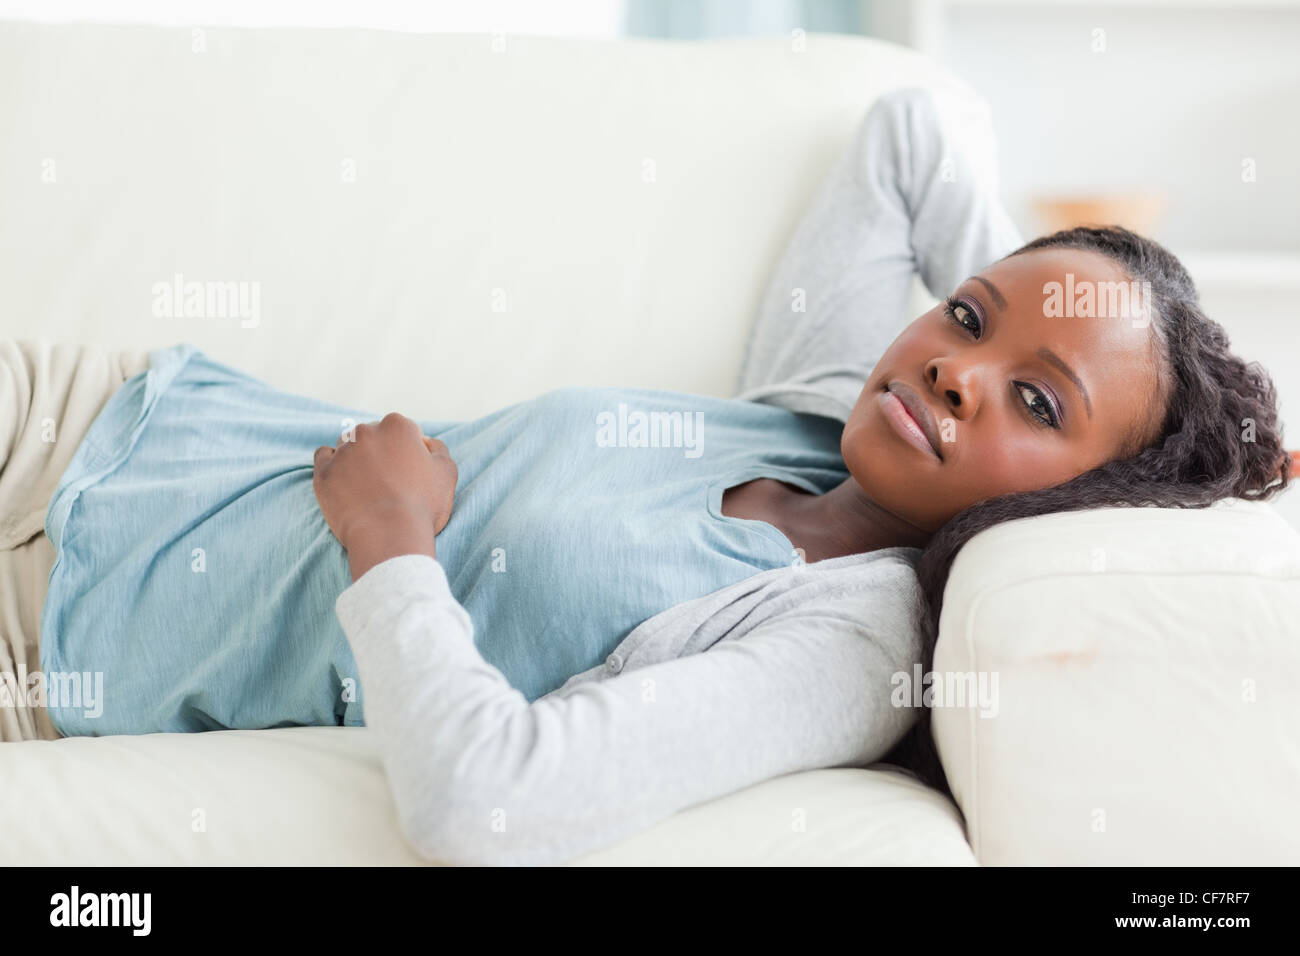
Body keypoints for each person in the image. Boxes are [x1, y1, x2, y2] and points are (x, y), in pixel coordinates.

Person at [0, 89, 1290, 865]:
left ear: (1071, 503)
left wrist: (390, 541)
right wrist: (1066, 325)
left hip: (58, 641)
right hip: (85, 417)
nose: (958, 372)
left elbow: (487, 803)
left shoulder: (846, 640)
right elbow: (913, 130)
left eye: (1036, 403)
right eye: (962, 317)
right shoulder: (807, 416)